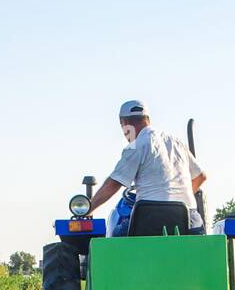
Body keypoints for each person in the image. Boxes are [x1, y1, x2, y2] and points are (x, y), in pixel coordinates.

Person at [88, 100, 207, 236]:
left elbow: (113, 184)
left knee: (116, 234)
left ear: (125, 124)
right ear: (147, 120)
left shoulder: (137, 145)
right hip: (187, 217)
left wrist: (88, 209)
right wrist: (178, 198)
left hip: (149, 218)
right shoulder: (176, 142)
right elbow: (200, 176)